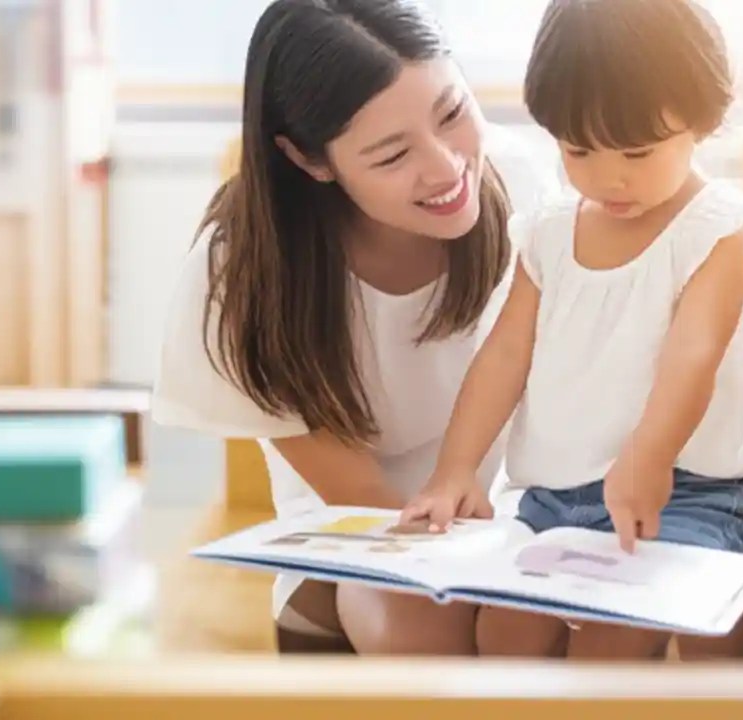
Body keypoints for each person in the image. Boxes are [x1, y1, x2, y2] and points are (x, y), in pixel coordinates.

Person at [150, 0, 558, 655]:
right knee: (421, 619)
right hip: (365, 534)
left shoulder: (522, 182)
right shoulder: (244, 275)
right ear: (310, 161)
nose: (447, 168)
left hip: (514, 516)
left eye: (452, 113)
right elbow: (368, 506)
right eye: (393, 155)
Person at [402, 0, 743, 662]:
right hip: (558, 491)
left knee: (629, 636)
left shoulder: (718, 227)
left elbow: (692, 357)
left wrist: (647, 457)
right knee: (504, 634)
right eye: (578, 149)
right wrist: (454, 469)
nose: (610, 177)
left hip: (686, 484)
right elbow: (503, 357)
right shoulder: (550, 231)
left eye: (637, 151)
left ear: (700, 121)